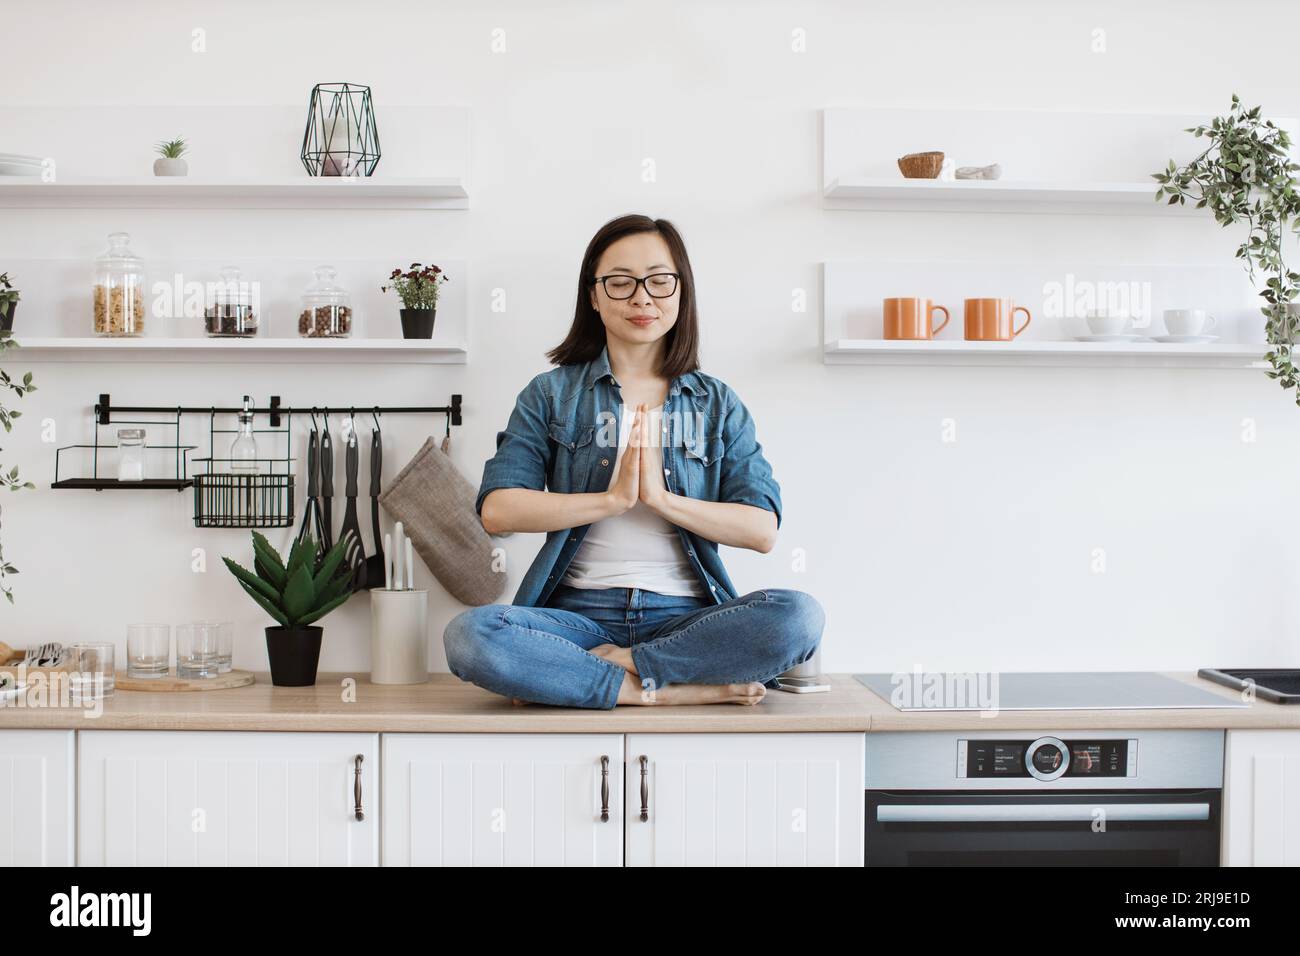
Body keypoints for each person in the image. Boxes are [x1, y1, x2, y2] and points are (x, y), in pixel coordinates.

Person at [443, 214, 824, 709]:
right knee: (471, 636)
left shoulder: (718, 404)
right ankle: (659, 692)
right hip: (576, 620)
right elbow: (498, 510)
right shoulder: (550, 395)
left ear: (680, 292)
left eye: (659, 281)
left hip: (687, 620)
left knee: (799, 617)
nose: (642, 297)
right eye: (620, 283)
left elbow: (761, 530)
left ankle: (616, 669)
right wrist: (610, 499)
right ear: (594, 296)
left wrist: (661, 500)